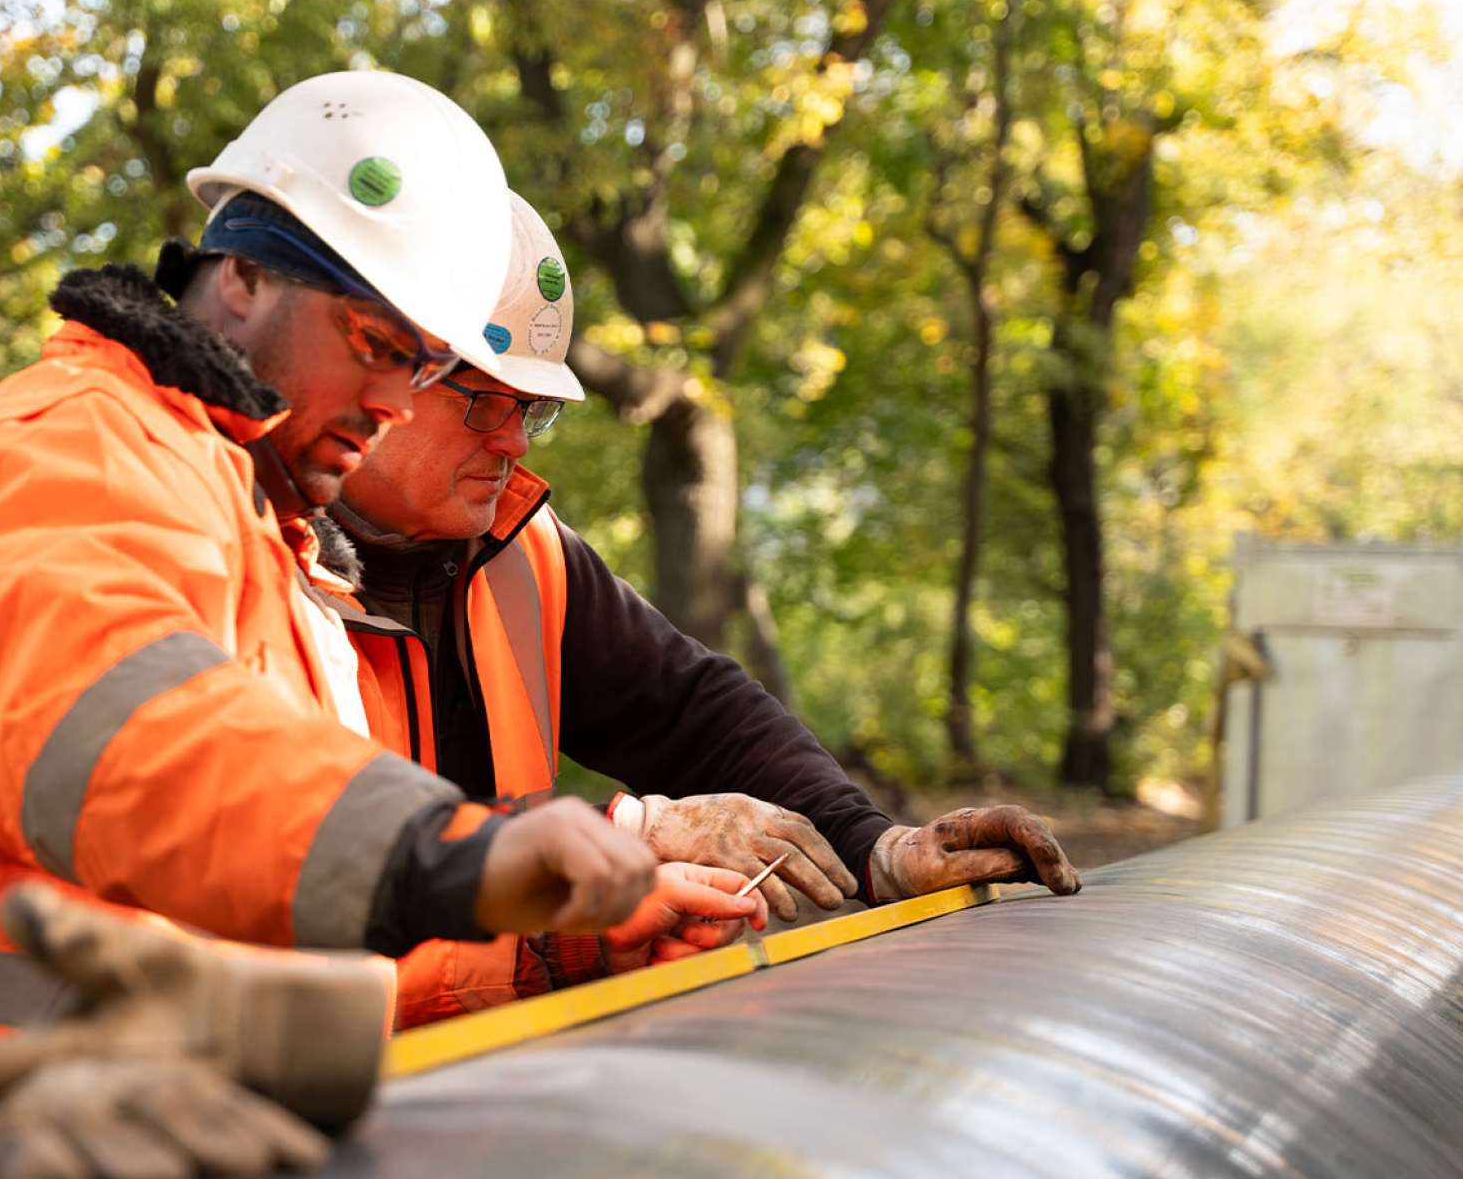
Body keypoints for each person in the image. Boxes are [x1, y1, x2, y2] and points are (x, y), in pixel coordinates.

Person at [0, 71, 732, 1179]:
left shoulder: (255, 533)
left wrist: (539, 945)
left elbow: (244, 924)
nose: (393, 403)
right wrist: (452, 851)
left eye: (425, 367)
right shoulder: (54, 455)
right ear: (239, 277)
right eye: (379, 344)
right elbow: (137, 752)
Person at [331, 194, 1082, 1026]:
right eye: (484, 401)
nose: (514, 442)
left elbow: (689, 711)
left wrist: (881, 853)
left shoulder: (521, 551)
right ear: (377, 362)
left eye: (530, 408)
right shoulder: (250, 551)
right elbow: (307, 835)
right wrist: (632, 833)